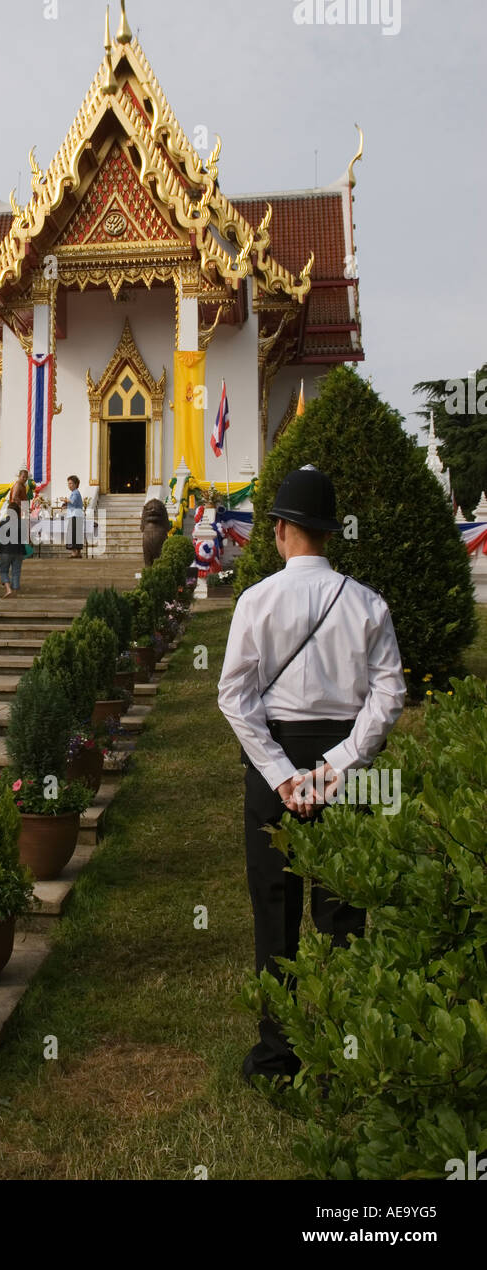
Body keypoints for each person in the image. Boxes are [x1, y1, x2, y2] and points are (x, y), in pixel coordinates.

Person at [217, 465, 406, 1084]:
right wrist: (335, 770)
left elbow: (234, 699)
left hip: (275, 763)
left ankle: (277, 1052)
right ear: (327, 531)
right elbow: (389, 699)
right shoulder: (367, 604)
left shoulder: (256, 601)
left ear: (278, 531)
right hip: (342, 763)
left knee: (274, 909)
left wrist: (280, 775)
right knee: (342, 914)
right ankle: (341, 1055)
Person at [0, 502, 25, 597]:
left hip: (5, 550)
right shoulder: (22, 523)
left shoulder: (3, 522)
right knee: (16, 571)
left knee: (3, 571)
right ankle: (15, 593)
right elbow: (24, 538)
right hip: (18, 550)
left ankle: (8, 589)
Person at [62, 475, 83, 558]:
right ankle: (78, 552)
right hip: (77, 514)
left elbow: (73, 502)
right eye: (69, 484)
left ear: (76, 484)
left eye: (71, 483)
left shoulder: (75, 492)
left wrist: (65, 500)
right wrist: (66, 505)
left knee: (73, 533)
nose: (69, 485)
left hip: (74, 515)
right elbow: (74, 504)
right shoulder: (75, 493)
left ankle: (74, 552)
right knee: (77, 534)